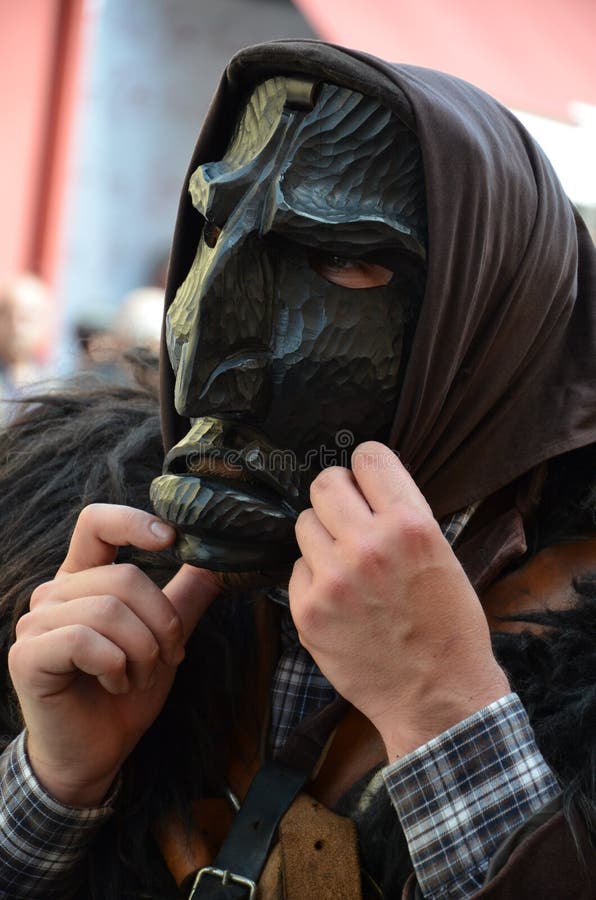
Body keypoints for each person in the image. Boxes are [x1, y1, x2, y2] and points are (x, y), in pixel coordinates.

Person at [2, 40, 596, 899]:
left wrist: (445, 711)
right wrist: (53, 784)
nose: (202, 362)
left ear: (491, 322)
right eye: (211, 233)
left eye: (339, 260)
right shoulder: (76, 547)